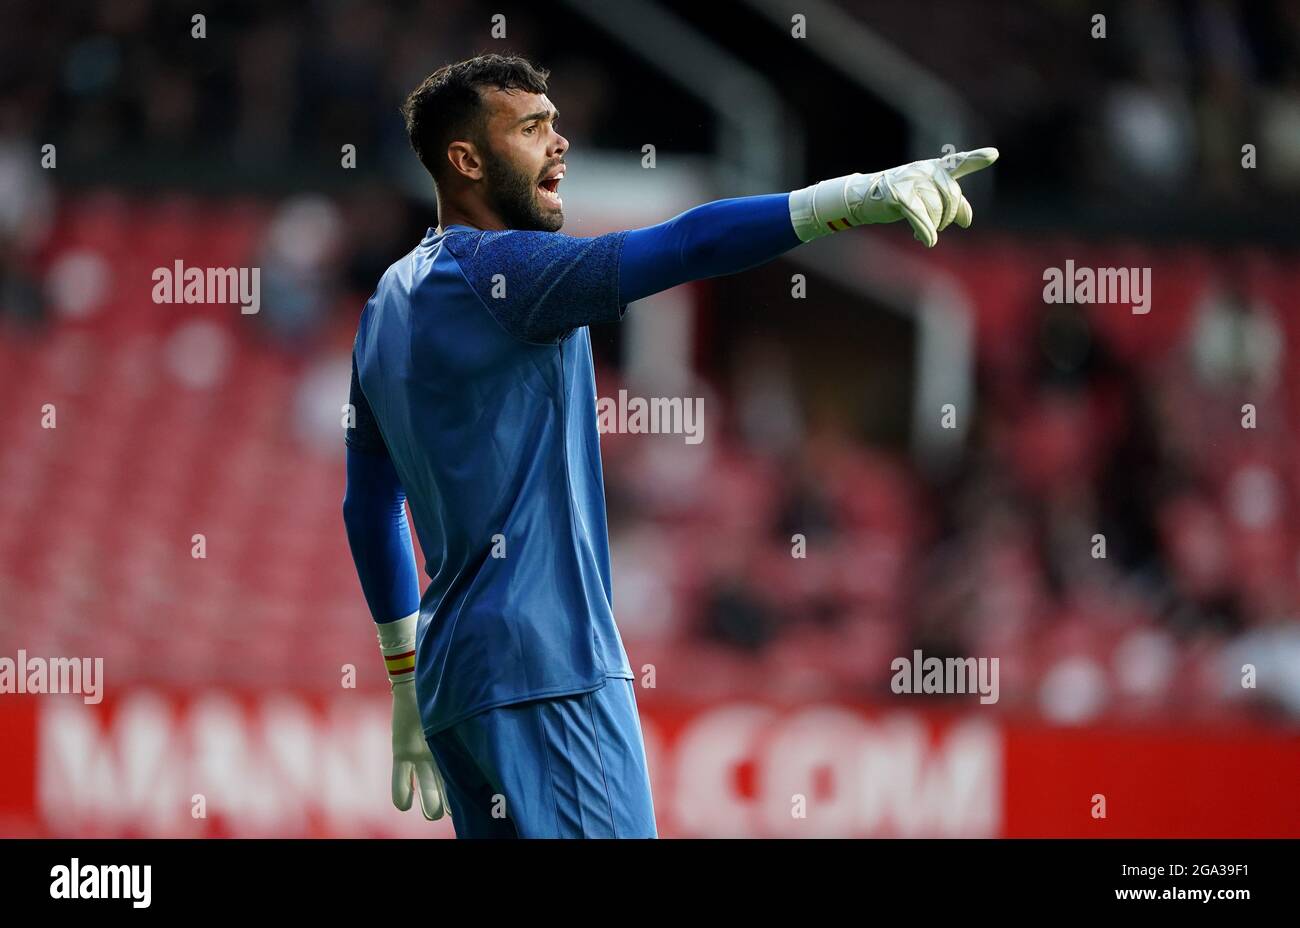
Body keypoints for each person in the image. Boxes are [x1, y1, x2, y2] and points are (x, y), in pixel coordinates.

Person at [342, 53, 997, 838]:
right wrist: (856, 196)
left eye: (555, 123)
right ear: (466, 160)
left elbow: (368, 504)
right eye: (530, 128)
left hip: (457, 686)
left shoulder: (385, 304)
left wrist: (408, 683)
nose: (560, 143)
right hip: (549, 668)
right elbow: (686, 244)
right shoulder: (508, 272)